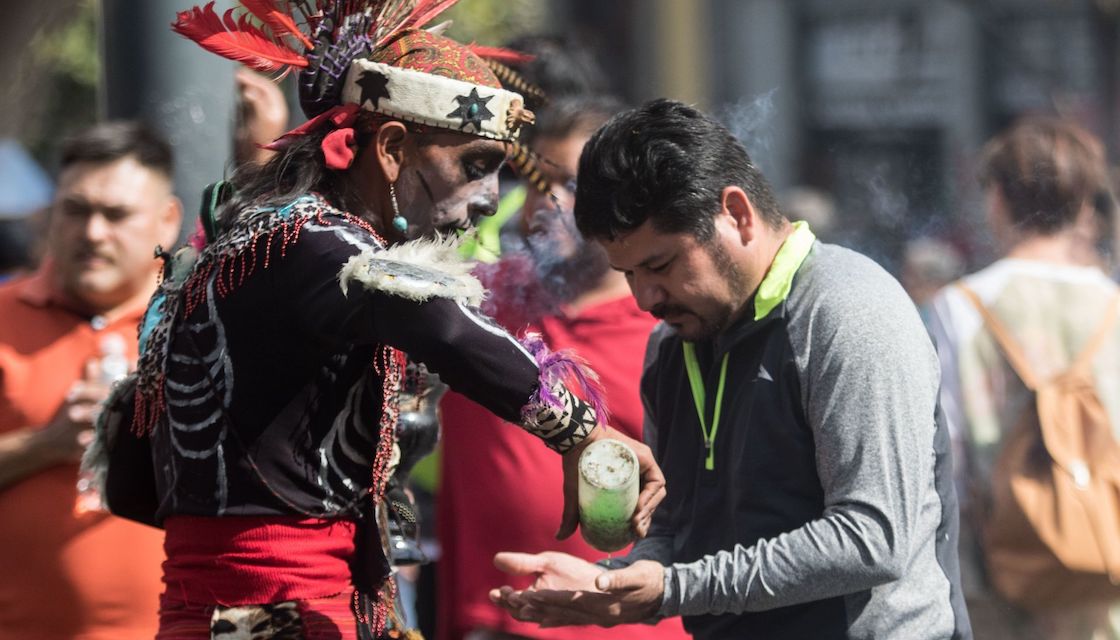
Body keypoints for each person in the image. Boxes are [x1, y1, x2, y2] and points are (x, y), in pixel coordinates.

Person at [92, 2, 664, 638]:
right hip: (267, 616)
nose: (484, 203)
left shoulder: (276, 243)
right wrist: (582, 432)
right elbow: (439, 321)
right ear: (391, 149)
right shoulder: (305, 243)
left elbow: (134, 485)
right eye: (474, 167)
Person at [491, 99, 972, 639]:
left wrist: (673, 589)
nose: (644, 297)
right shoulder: (672, 344)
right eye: (627, 273)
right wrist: (611, 585)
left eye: (660, 264)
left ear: (737, 214)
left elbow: (871, 539)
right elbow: (677, 528)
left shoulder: (848, 312)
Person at [437, 96, 687, 640]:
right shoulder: (476, 306)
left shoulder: (670, 328)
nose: (546, 201)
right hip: (488, 622)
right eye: (533, 181)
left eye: (571, 185)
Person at [928, 117, 1120, 639]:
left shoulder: (962, 305)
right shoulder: (1112, 303)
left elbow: (949, 449)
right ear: (1082, 202)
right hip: (1105, 562)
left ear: (999, 199)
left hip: (998, 566)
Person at [0, 122, 182, 639]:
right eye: (76, 210)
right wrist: (43, 444)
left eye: (117, 214)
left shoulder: (200, 324)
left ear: (166, 220)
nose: (93, 232)